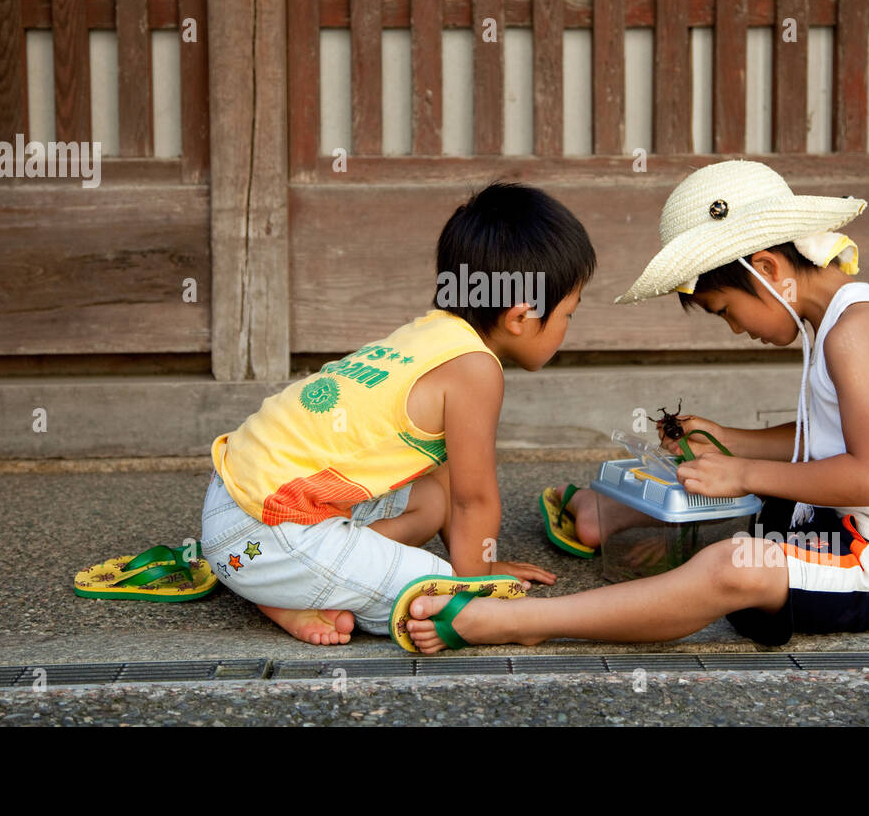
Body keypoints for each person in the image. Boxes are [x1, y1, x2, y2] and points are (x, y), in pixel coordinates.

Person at [400, 160, 869, 653]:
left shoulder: (850, 335)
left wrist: (746, 470)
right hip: (834, 524)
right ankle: (609, 515)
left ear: (771, 271)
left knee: (732, 564)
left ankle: (521, 622)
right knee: (715, 477)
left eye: (725, 310)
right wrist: (728, 440)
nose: (733, 329)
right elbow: (823, 444)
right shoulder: (839, 321)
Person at [202, 182, 596, 644]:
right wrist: (475, 591)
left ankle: (297, 588)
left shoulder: (431, 334)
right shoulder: (476, 371)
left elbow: (448, 484)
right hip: (262, 537)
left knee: (430, 500)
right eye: (569, 313)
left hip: (236, 507)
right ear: (520, 316)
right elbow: (476, 500)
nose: (568, 326)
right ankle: (285, 590)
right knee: (438, 595)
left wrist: (480, 563)